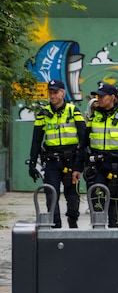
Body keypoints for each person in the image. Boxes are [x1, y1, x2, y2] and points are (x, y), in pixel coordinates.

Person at [73, 83, 118, 229]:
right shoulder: (93, 117)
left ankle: (115, 242)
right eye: (98, 96)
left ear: (112, 98)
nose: (99, 99)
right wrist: (77, 168)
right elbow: (83, 145)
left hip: (117, 167)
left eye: (102, 96)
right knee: (97, 206)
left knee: (114, 210)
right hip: (97, 167)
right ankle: (98, 240)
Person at [29, 79, 86, 228]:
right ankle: (56, 226)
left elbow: (83, 138)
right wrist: (33, 163)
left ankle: (73, 223)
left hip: (71, 160)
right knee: (50, 194)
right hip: (52, 160)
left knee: (72, 196)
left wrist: (81, 164)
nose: (52, 96)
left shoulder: (73, 111)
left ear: (63, 93)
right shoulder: (43, 113)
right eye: (50, 93)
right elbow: (36, 140)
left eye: (56, 92)